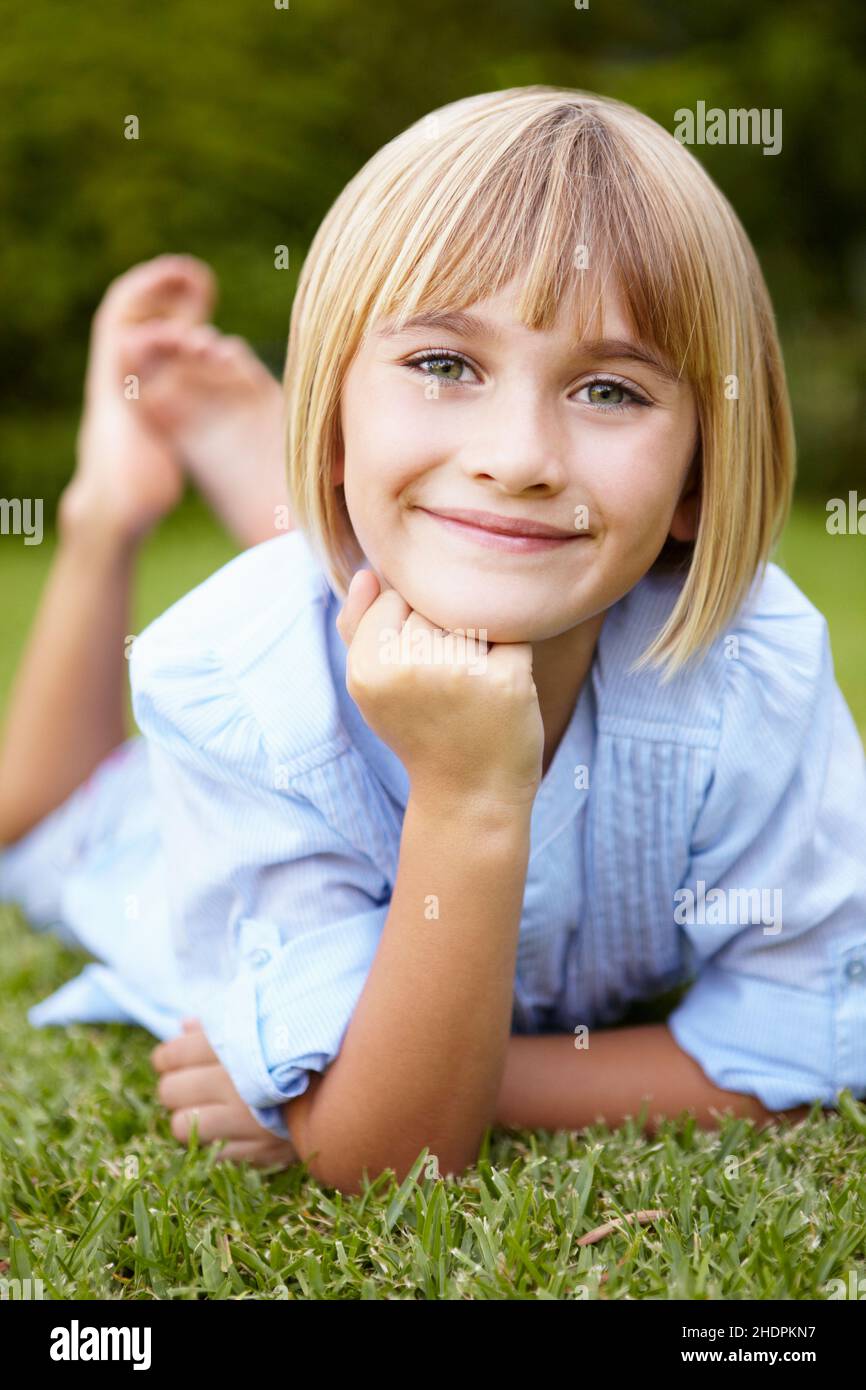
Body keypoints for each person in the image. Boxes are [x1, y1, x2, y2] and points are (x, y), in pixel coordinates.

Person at [2, 88, 865, 1194]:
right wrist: (470, 792)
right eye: (444, 363)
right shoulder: (235, 681)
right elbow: (387, 1159)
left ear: (699, 476)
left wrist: (453, 1073)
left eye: (607, 389)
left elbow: (817, 1036)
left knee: (459, 521)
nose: (519, 454)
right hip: (145, 837)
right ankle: (111, 509)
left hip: (398, 524)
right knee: (32, 837)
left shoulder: (754, 667)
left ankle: (337, 498)